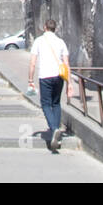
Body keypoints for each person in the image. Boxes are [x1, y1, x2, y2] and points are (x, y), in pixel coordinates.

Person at [28, 19, 70, 150]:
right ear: (55, 28)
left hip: (45, 76)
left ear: (45, 27)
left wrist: (30, 80)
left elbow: (33, 62)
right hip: (59, 76)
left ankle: (54, 128)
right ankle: (56, 131)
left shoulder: (39, 41)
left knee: (46, 104)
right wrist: (70, 83)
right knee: (56, 103)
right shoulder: (61, 42)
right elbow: (66, 63)